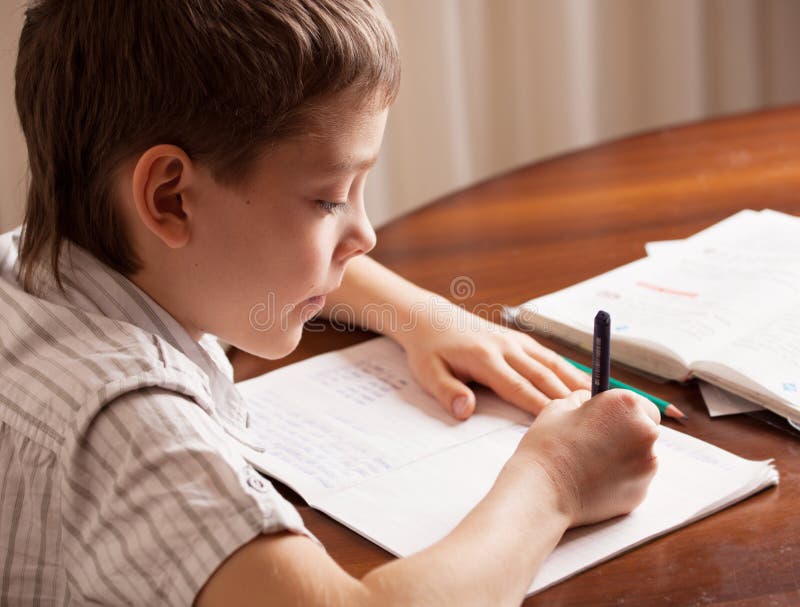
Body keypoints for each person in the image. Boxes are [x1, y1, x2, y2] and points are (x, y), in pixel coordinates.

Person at [0, 1, 660, 605]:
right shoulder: (130, 433)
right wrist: (556, 481)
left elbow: (232, 256)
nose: (365, 235)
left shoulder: (42, 261)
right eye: (329, 198)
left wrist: (418, 314)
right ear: (170, 196)